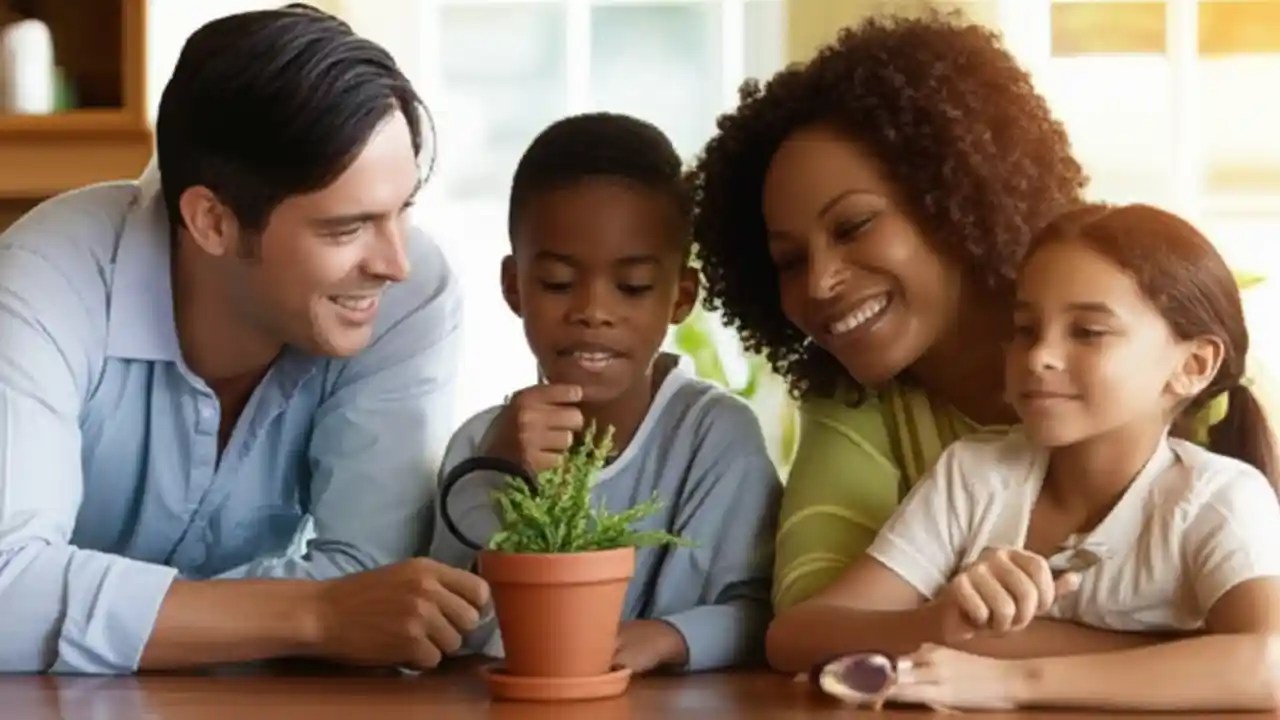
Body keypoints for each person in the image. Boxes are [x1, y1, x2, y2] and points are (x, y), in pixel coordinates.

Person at [0, 5, 490, 673]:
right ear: (213, 222)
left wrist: (130, 617)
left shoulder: (407, 292)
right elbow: (6, 589)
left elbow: (379, 580)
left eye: (401, 209)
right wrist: (315, 615)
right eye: (345, 228)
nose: (394, 262)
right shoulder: (42, 283)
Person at [690, 12, 1114, 635]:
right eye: (789, 260)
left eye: (854, 226)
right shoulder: (858, 408)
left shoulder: (1154, 358)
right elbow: (810, 624)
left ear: (956, 198)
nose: (819, 282)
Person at [770, 203, 1280, 711]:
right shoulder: (975, 474)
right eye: (1025, 330)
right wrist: (934, 624)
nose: (1039, 356)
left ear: (1192, 365)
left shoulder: (1217, 499)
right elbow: (792, 639)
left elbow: (1270, 663)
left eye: (1087, 332)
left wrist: (1008, 679)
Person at [427, 112, 782, 674]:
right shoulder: (479, 443)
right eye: (558, 283)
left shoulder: (714, 436)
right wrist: (497, 473)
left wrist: (668, 637)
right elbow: (448, 633)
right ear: (513, 287)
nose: (593, 311)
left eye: (634, 287)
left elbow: (764, 612)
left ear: (680, 296)